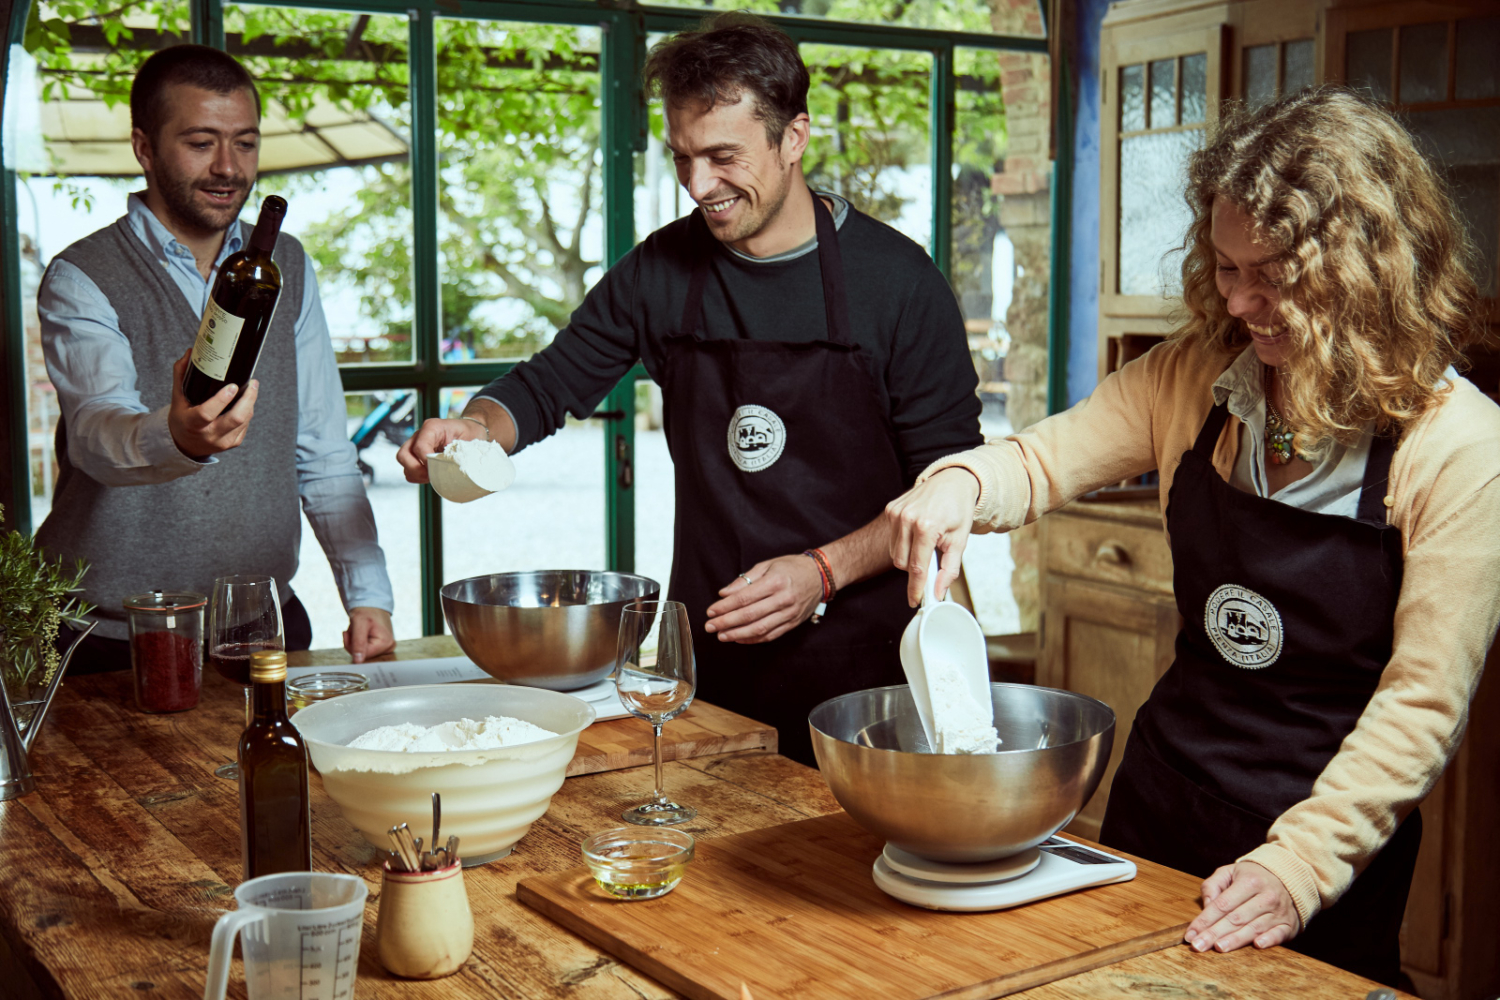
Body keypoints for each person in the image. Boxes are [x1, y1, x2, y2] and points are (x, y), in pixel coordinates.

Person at [884, 88, 1500, 985]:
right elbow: (1048, 458)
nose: (1241, 300)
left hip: (1322, 847)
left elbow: (1421, 704)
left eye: (1276, 277)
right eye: (1224, 265)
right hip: (1165, 794)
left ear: (1367, 269)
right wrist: (959, 484)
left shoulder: (1461, 449)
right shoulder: (1200, 375)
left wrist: (1298, 869)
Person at [397, 14, 982, 765]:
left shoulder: (899, 285)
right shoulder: (661, 271)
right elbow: (551, 382)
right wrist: (475, 427)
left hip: (871, 674)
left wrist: (824, 570)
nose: (700, 186)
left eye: (723, 156)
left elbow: (952, 493)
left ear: (793, 137)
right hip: (713, 665)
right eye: (683, 158)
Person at [36, 44, 396, 669]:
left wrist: (367, 594)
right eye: (201, 142)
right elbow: (94, 433)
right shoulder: (82, 276)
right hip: (108, 640)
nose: (228, 167)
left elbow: (322, 446)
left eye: (246, 143)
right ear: (144, 147)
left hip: (260, 622)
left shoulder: (289, 266)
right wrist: (176, 436)